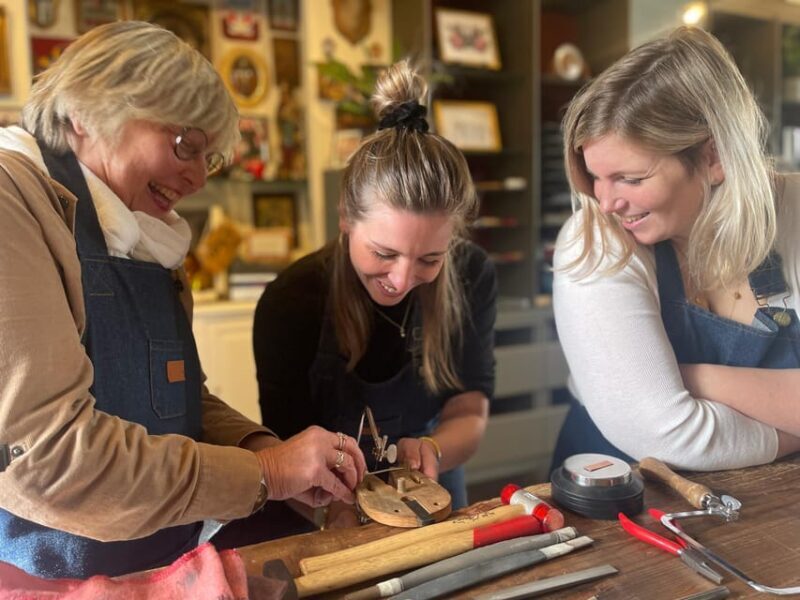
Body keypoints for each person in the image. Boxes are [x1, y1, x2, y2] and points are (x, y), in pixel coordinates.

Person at [0, 21, 365, 579]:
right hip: (54, 574)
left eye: (208, 157)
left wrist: (277, 456)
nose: (197, 178)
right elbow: (54, 459)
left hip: (165, 553)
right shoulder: (12, 201)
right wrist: (266, 471)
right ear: (88, 109)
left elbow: (179, 400)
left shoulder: (141, 230)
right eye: (184, 145)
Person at [254, 60, 497, 526]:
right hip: (323, 498)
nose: (403, 280)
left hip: (431, 485)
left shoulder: (471, 275)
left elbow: (470, 410)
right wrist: (337, 511)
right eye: (383, 252)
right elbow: (283, 450)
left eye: (430, 259)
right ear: (346, 216)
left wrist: (433, 450)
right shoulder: (291, 302)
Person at [550, 26, 800, 473]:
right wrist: (788, 432)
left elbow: (665, 409)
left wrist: (691, 379)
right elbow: (663, 432)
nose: (606, 203)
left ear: (714, 156)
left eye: (631, 178)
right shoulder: (595, 239)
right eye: (595, 177)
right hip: (625, 492)